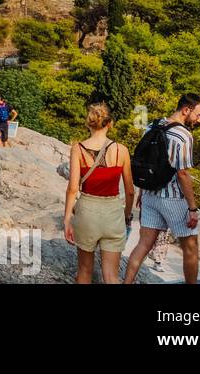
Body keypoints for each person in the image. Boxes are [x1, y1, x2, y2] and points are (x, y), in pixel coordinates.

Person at [124, 93, 200, 284]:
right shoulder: (184, 135)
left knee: (143, 244)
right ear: (186, 110)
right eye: (198, 115)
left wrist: (142, 192)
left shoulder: (152, 126)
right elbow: (182, 174)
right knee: (191, 247)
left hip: (150, 196)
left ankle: (126, 282)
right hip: (173, 199)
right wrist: (192, 208)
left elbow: (145, 162)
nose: (199, 120)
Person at [62, 102, 134, 284]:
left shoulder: (78, 148)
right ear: (109, 123)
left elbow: (72, 188)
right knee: (111, 276)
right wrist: (125, 217)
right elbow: (130, 191)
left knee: (84, 272)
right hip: (113, 213)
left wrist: (67, 218)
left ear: (89, 123)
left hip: (87, 212)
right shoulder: (122, 150)